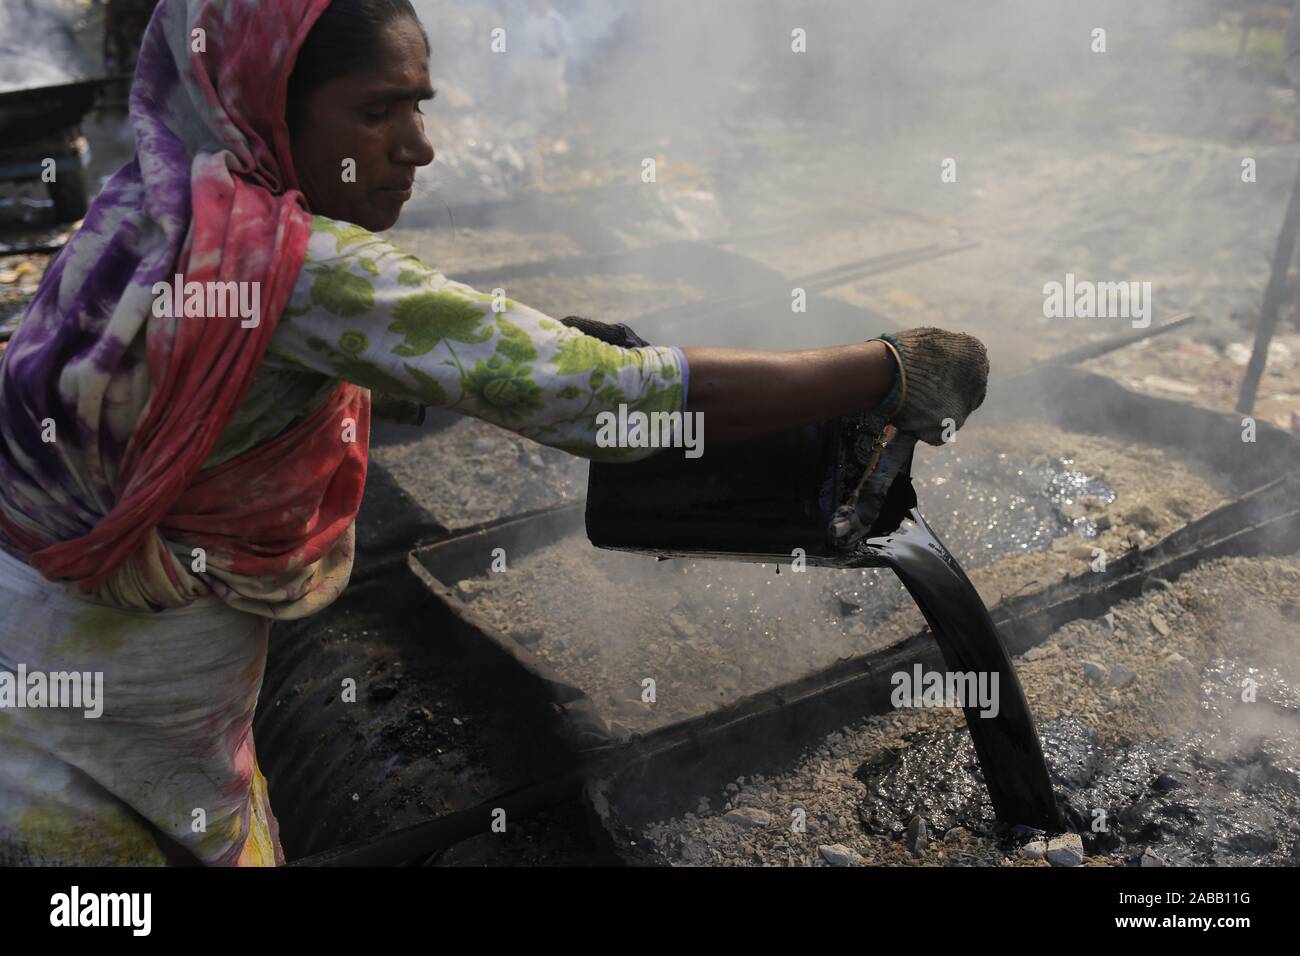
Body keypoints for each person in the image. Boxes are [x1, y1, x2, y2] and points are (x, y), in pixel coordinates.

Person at [0, 0, 988, 866]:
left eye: (420, 104)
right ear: (269, 103)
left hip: (65, 645)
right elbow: (607, 400)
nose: (419, 144)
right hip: (97, 724)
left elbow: (219, 397)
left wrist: (463, 375)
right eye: (377, 110)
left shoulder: (162, 204)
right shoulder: (298, 266)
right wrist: (884, 369)